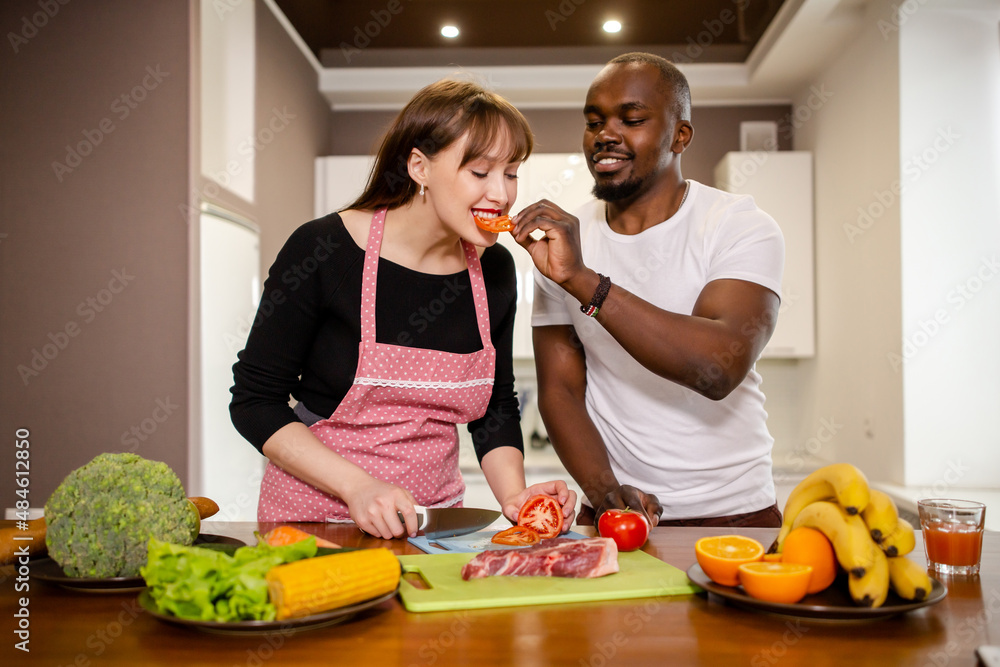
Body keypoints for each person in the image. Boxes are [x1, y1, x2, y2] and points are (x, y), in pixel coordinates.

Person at [230, 78, 576, 539]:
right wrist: (358, 487)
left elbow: (495, 405)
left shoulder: (494, 269)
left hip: (435, 526)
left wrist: (514, 496)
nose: (502, 194)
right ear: (420, 167)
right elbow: (255, 402)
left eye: (511, 172)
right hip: (315, 519)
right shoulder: (324, 250)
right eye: (480, 172)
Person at [511, 53, 784, 528]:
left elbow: (716, 369)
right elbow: (560, 391)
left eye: (632, 119)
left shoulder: (738, 225)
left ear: (681, 135)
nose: (605, 135)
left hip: (733, 512)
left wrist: (582, 280)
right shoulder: (565, 241)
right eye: (594, 122)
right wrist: (606, 493)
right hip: (615, 513)